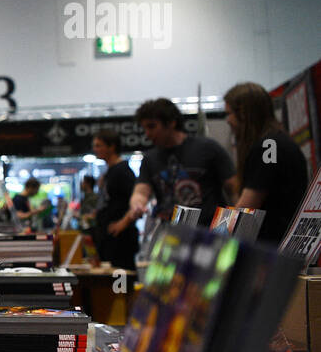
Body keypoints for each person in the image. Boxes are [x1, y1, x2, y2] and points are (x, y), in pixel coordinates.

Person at [126, 98, 235, 227]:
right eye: (144, 128)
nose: (147, 134)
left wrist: (231, 228)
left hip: (208, 234)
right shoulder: (150, 158)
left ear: (171, 123)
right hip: (170, 236)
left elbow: (233, 189)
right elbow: (141, 192)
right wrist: (137, 205)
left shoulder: (208, 148)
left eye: (152, 126)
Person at [224, 82, 308, 244]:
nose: (228, 120)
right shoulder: (276, 142)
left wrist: (213, 240)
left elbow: (245, 209)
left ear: (243, 114)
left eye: (229, 114)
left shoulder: (268, 146)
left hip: (273, 248)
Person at [92, 130, 138, 269]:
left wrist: (123, 223)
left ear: (111, 146)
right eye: (95, 146)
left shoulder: (122, 171)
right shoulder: (109, 172)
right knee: (110, 283)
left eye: (99, 146)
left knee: (121, 282)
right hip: (109, 237)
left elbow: (135, 202)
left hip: (121, 239)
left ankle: (122, 291)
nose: (95, 150)